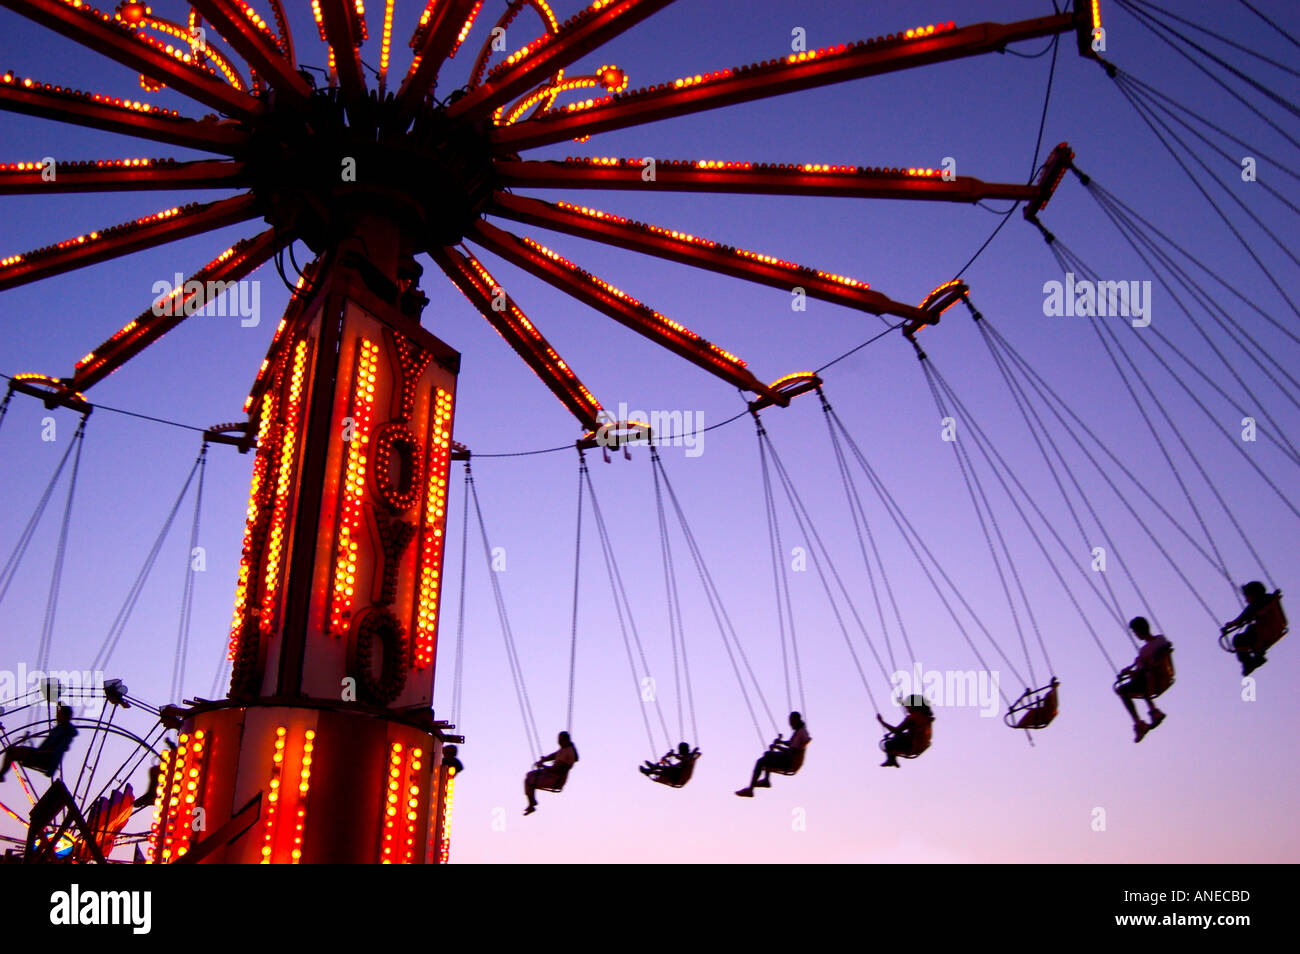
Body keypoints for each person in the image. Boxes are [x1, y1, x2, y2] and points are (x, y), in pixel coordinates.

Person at [1115, 617, 1172, 742]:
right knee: (1142, 677)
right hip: (1161, 676)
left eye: (1135, 632)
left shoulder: (1145, 650)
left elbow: (1141, 670)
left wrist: (1130, 672)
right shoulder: (1161, 640)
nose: (1136, 635)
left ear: (1139, 631)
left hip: (1153, 680)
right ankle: (1152, 711)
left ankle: (1140, 722)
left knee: (1121, 690)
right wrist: (1132, 671)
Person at [735, 712, 810, 797]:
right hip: (790, 759)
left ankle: (750, 789)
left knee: (761, 762)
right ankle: (766, 780)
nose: (790, 724)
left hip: (790, 762)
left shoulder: (801, 733)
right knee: (767, 754)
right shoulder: (799, 730)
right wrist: (781, 742)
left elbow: (791, 751)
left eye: (791, 721)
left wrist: (777, 747)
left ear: (796, 720)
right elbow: (791, 744)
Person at [1222, 582, 1287, 676]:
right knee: (1251, 628)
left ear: (1253, 595)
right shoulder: (1270, 598)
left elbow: (1242, 618)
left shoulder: (1257, 604)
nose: (1246, 600)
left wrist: (1229, 625)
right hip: (1278, 628)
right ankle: (1258, 656)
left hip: (1264, 634)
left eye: (1246, 596)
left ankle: (1248, 663)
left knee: (1238, 639)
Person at [0, 704, 78, 781]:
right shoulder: (60, 729)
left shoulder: (66, 731)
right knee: (11, 750)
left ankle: (1, 775)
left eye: (60, 713)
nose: (57, 715)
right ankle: (1, 775)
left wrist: (51, 770)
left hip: (44, 758)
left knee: (11, 752)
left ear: (65, 716)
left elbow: (59, 750)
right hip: (40, 754)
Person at [523, 731, 577, 816]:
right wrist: (544, 759)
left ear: (566, 740)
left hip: (555, 780)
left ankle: (531, 805)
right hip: (552, 775)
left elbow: (556, 770)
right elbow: (554, 755)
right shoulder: (564, 748)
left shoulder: (568, 753)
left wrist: (543, 766)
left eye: (560, 740)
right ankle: (532, 801)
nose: (559, 742)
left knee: (529, 781)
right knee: (529, 774)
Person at [878, 696, 934, 767]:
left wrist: (881, 722)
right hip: (922, 745)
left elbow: (896, 730)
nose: (906, 708)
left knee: (888, 744)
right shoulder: (925, 717)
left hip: (912, 746)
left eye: (908, 706)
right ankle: (892, 760)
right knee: (899, 735)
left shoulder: (913, 718)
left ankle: (891, 760)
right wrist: (902, 702)